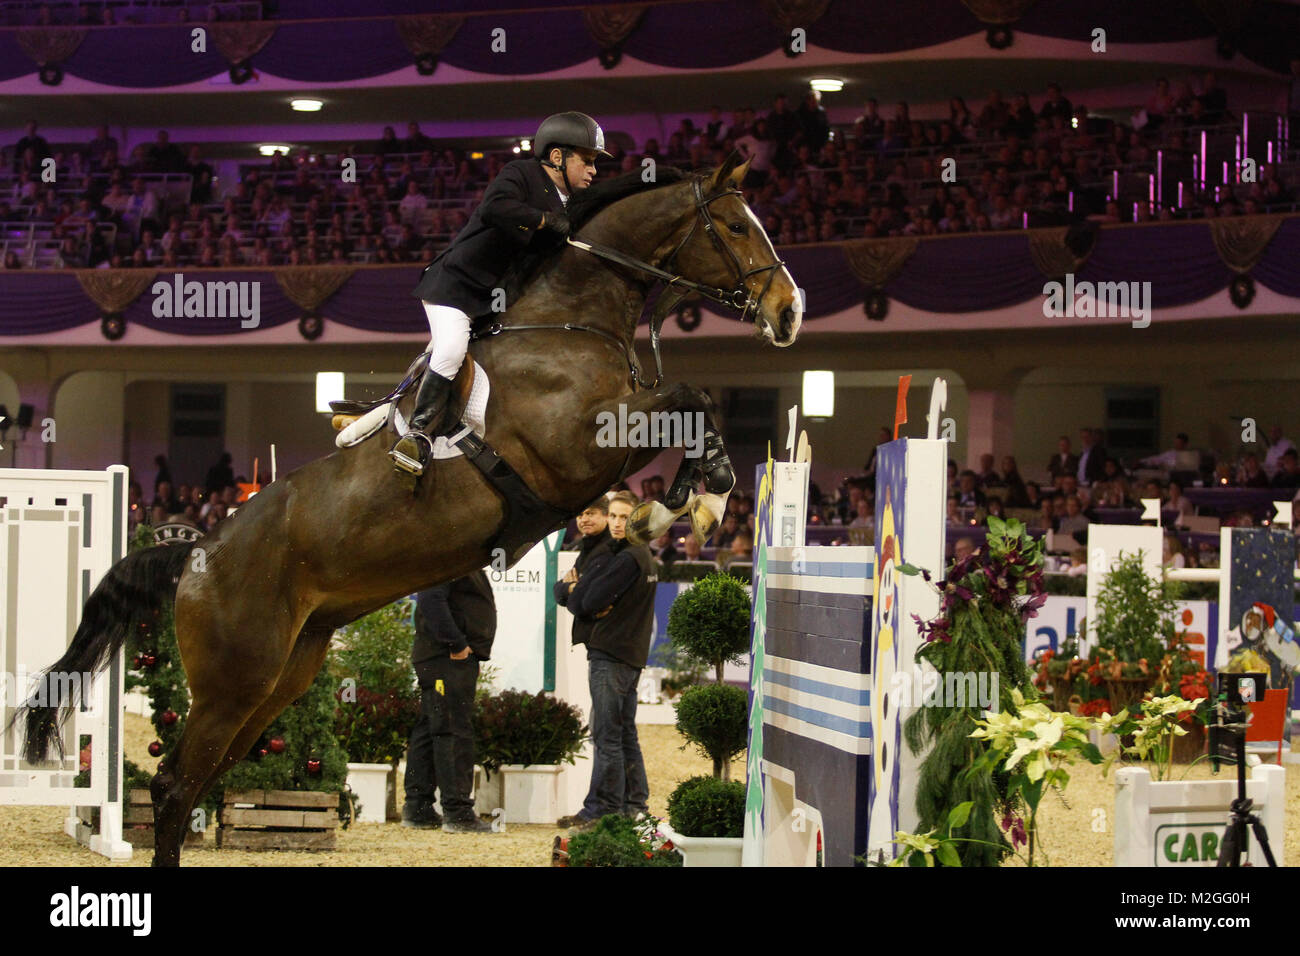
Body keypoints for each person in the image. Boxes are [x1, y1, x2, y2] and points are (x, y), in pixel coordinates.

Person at [393, 112, 610, 476]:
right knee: (449, 349)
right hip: (455, 288)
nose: (593, 170)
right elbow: (495, 209)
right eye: (586, 160)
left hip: (493, 302)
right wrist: (543, 221)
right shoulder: (521, 173)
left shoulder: (570, 207)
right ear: (557, 157)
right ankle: (417, 435)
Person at [555, 490, 657, 830]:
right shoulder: (636, 554)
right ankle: (632, 804)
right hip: (625, 654)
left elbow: (584, 601)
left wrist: (577, 592)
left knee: (607, 735)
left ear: (637, 519)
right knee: (623, 733)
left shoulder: (627, 558)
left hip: (612, 654)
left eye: (623, 517)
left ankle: (602, 810)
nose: (616, 523)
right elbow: (578, 596)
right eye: (612, 516)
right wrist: (577, 593)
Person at [402, 569, 498, 833]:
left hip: (439, 656)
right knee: (453, 730)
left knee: (429, 727)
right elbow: (431, 599)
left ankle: (418, 807)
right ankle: (457, 812)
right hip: (446, 657)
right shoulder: (453, 557)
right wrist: (456, 644)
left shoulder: (460, 558)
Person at [556, 496, 613, 649]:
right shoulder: (586, 547)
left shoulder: (609, 548)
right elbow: (557, 592)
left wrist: (572, 588)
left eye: (590, 513)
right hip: (594, 639)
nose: (584, 519)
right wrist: (570, 587)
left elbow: (582, 601)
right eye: (580, 515)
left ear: (606, 515)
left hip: (607, 639)